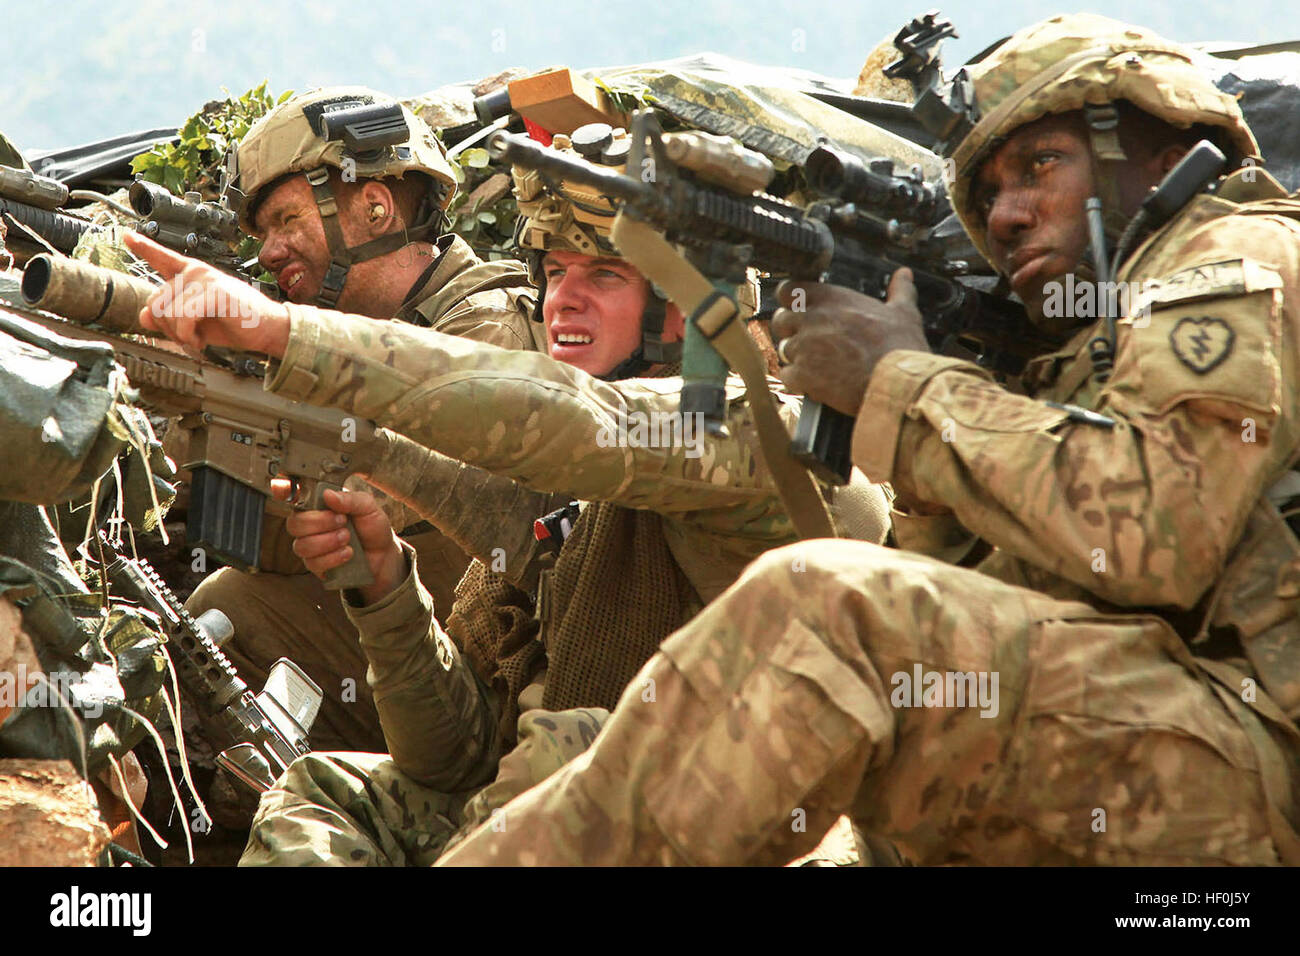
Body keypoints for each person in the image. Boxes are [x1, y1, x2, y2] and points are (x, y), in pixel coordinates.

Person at [429, 13, 1300, 866]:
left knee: (828, 609)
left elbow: (1157, 536)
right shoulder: (1087, 337)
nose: (1006, 215)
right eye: (990, 190)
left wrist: (902, 380)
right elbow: (975, 579)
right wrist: (919, 439)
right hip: (1176, 723)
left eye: (1042, 165)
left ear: (1161, 149)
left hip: (1256, 753)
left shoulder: (1235, 256)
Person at [123, 128, 892, 865]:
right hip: (564, 810)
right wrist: (387, 592)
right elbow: (455, 760)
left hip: (741, 818)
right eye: (555, 273)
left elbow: (578, 420)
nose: (563, 302)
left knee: (569, 746)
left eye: (604, 277)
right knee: (329, 790)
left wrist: (283, 334)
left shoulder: (762, 435)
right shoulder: (575, 504)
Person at [183, 87, 541, 757]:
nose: (268, 252)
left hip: (488, 687)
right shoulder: (359, 333)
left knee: (225, 608)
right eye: (261, 234)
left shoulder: (485, 328)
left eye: (287, 220)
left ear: (374, 207)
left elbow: (331, 517)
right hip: (412, 641)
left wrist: (210, 411)